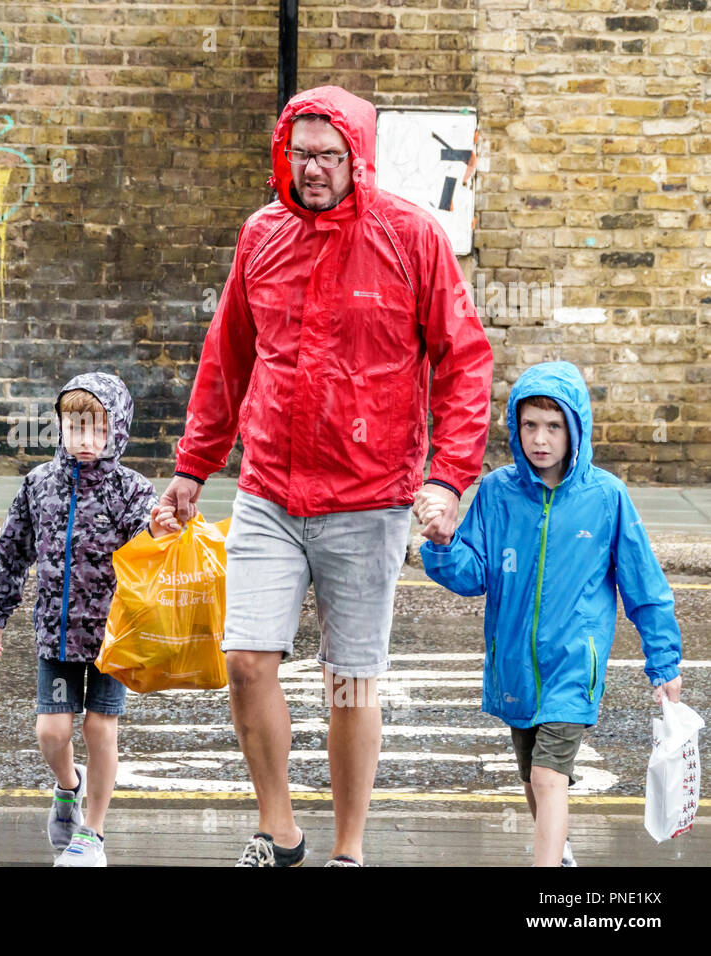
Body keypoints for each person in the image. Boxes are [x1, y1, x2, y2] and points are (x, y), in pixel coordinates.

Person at [160, 85, 494, 866]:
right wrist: (192, 467)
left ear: (358, 157)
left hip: (369, 498)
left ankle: (348, 850)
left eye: (328, 156)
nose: (312, 170)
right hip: (270, 489)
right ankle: (280, 832)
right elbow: (228, 357)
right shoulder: (261, 235)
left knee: (349, 682)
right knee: (245, 662)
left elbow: (465, 361)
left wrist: (447, 478)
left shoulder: (410, 237)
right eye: (300, 154)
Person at [419, 361, 682, 866]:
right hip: (514, 665)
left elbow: (643, 585)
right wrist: (444, 544)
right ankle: (557, 852)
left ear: (575, 427)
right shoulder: (497, 493)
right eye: (530, 425)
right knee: (531, 777)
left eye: (554, 426)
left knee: (548, 775)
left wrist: (664, 661)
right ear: (516, 429)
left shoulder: (606, 497)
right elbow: (474, 574)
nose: (541, 439)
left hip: (572, 667)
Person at [0, 371, 176, 867]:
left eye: (96, 429)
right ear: (61, 430)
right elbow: (12, 551)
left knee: (100, 730)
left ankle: (92, 833)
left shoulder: (129, 489)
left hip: (114, 638)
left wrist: (161, 527)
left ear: (117, 430)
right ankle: (69, 787)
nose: (85, 440)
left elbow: (150, 542)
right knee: (52, 732)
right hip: (55, 635)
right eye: (75, 429)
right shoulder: (39, 486)